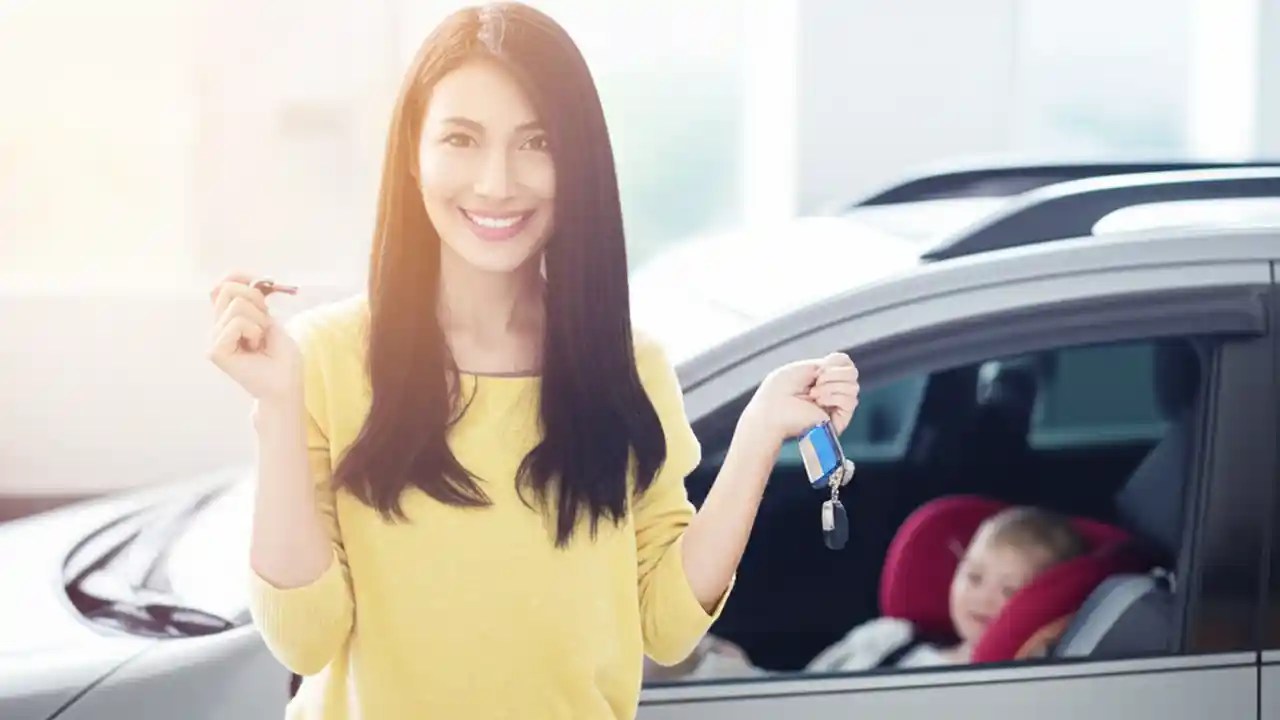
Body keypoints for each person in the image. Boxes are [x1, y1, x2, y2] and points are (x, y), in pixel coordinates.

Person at [205, 3, 859, 719]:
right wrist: (276, 407)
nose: (495, 182)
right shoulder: (324, 358)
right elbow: (303, 640)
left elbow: (667, 628)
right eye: (460, 138)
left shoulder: (629, 366)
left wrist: (761, 431)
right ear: (412, 157)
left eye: (536, 141)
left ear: (578, 162)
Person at [659, 506, 1088, 680]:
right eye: (974, 577)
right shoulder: (891, 637)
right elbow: (805, 689)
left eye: (1009, 590)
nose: (984, 598)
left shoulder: (999, 687)